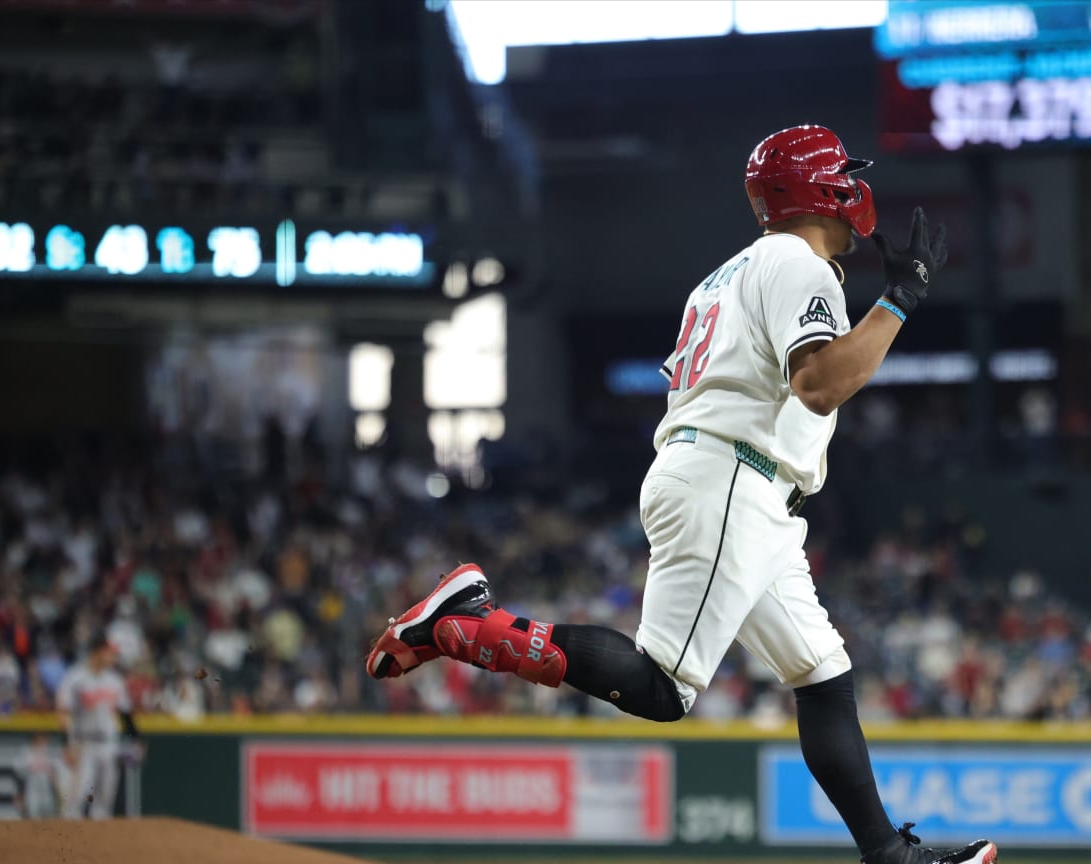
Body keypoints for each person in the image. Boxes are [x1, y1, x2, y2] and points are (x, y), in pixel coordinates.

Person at [366, 125, 993, 864]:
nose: (857, 187)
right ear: (822, 188)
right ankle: (470, 625)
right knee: (664, 687)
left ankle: (888, 856)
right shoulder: (799, 262)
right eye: (843, 175)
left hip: (734, 484)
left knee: (824, 676)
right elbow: (821, 384)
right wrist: (901, 297)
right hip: (734, 479)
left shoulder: (726, 275)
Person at [56, 633, 143, 820]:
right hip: (83, 744)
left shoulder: (115, 681)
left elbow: (125, 713)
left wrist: (137, 739)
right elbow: (63, 712)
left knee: (104, 802)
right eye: (109, 653)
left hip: (108, 744)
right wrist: (67, 745)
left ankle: (99, 847)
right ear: (96, 652)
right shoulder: (75, 678)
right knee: (75, 800)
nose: (113, 657)